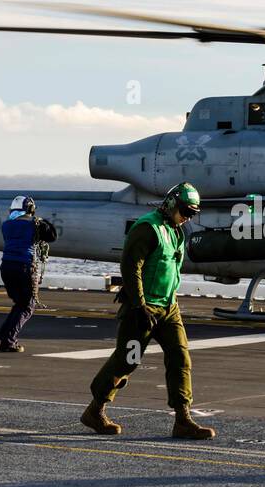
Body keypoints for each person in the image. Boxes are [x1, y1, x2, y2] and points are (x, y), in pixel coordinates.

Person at [81, 182, 214, 440]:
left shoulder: (176, 231)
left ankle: (183, 419)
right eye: (185, 211)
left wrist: (169, 300)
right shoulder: (147, 228)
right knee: (127, 361)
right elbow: (131, 267)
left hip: (168, 307)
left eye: (192, 214)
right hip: (141, 309)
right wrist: (140, 305)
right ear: (172, 204)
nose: (188, 217)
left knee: (180, 358)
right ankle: (95, 410)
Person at [0, 195, 59, 352]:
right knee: (27, 306)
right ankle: (8, 341)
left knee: (20, 302)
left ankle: (5, 334)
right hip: (24, 267)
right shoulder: (35, 224)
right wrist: (42, 220)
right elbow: (52, 236)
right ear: (30, 209)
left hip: (6, 267)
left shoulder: (6, 225)